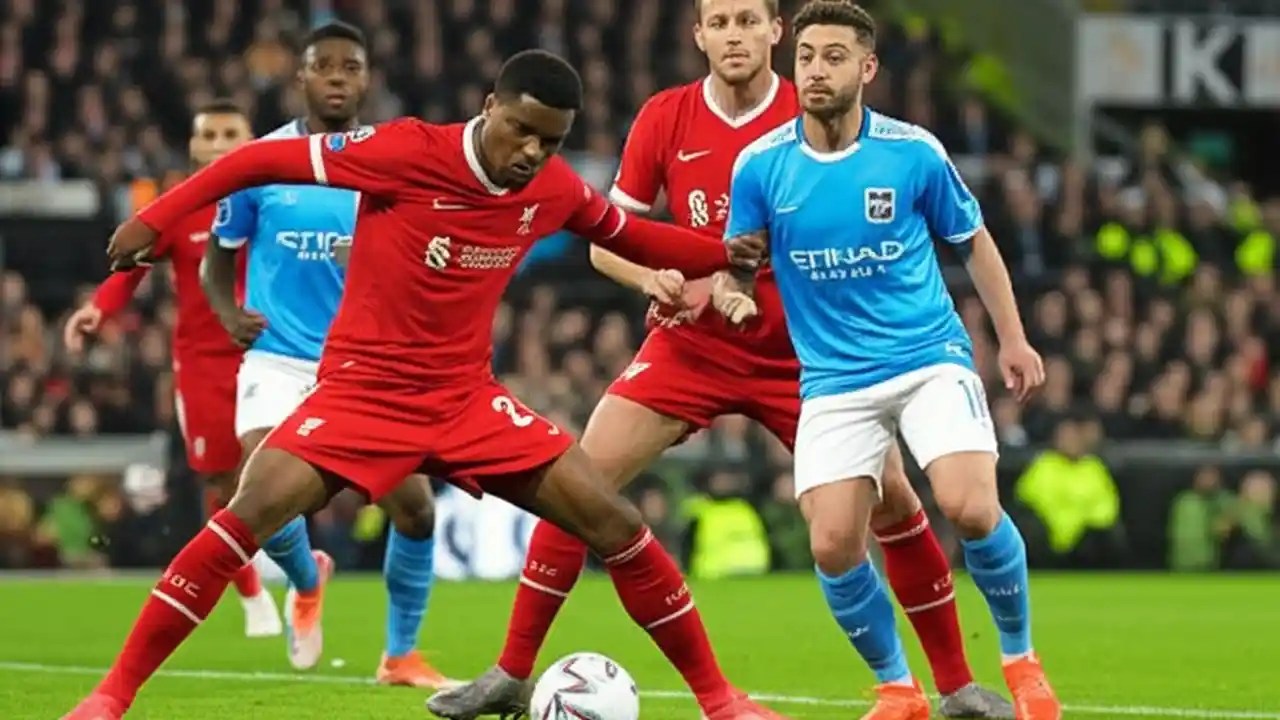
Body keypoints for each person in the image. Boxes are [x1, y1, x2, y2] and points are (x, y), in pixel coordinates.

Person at [65, 50, 782, 720]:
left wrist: (724, 254)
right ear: (489, 106)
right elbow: (257, 159)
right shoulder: (406, 150)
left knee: (616, 524)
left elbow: (630, 235)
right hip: (364, 394)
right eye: (522, 130)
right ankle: (110, 698)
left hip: (467, 400)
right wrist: (155, 216)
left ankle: (722, 703)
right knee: (245, 515)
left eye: (551, 141)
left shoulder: (553, 189)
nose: (532, 152)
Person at [429, 0, 1010, 717]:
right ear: (699, 34)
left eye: (748, 20)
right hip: (692, 346)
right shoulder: (665, 117)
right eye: (721, 22)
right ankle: (512, 671)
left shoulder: (813, 113)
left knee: (893, 504)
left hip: (808, 357)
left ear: (775, 31)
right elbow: (608, 242)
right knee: (575, 484)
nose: (735, 35)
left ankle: (953, 687)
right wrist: (653, 278)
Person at [717, 2, 1060, 719]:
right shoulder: (760, 166)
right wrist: (733, 296)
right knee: (833, 545)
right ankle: (899, 689)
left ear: (867, 68)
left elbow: (974, 241)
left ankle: (1022, 662)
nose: (816, 70)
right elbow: (738, 267)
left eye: (834, 57)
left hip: (927, 356)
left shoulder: (912, 153)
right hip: (834, 380)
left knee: (969, 506)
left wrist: (1013, 338)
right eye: (806, 56)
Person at [200, 21, 451, 686]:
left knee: (417, 511)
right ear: (301, 78)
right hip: (279, 356)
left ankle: (400, 655)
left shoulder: (394, 163)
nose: (337, 77)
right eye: (324, 66)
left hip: (366, 365)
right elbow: (217, 255)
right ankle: (307, 579)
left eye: (350, 67)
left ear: (367, 80)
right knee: (256, 485)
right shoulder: (262, 161)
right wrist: (227, 312)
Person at [62, 100, 281, 640]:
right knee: (221, 480)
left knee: (275, 470)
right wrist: (99, 309)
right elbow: (132, 265)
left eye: (231, 132)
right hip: (203, 364)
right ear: (193, 145)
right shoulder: (180, 206)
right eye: (210, 134)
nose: (220, 143)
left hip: (272, 356)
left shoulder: (277, 197)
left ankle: (300, 572)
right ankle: (252, 589)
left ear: (252, 140)